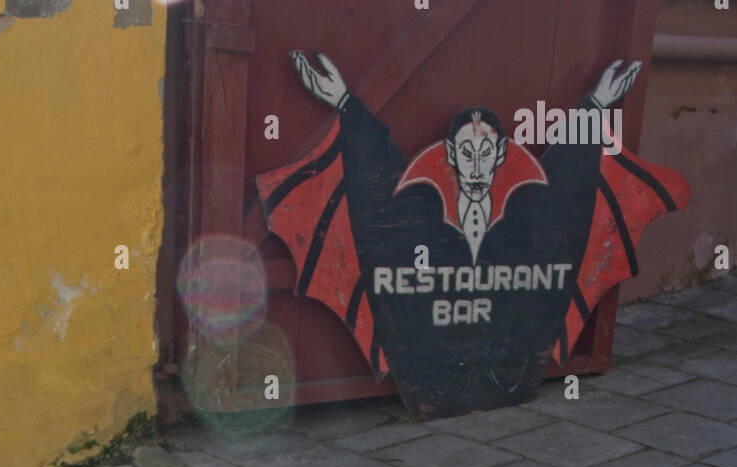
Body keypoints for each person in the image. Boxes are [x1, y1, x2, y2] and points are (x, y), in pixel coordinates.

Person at [259, 55, 687, 419]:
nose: (478, 166)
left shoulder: (527, 209)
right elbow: (374, 175)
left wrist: (597, 104)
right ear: (450, 156)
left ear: (501, 154)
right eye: (467, 153)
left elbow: (570, 182)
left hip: (509, 371)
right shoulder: (416, 208)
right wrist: (343, 101)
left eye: (486, 154)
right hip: (432, 374)